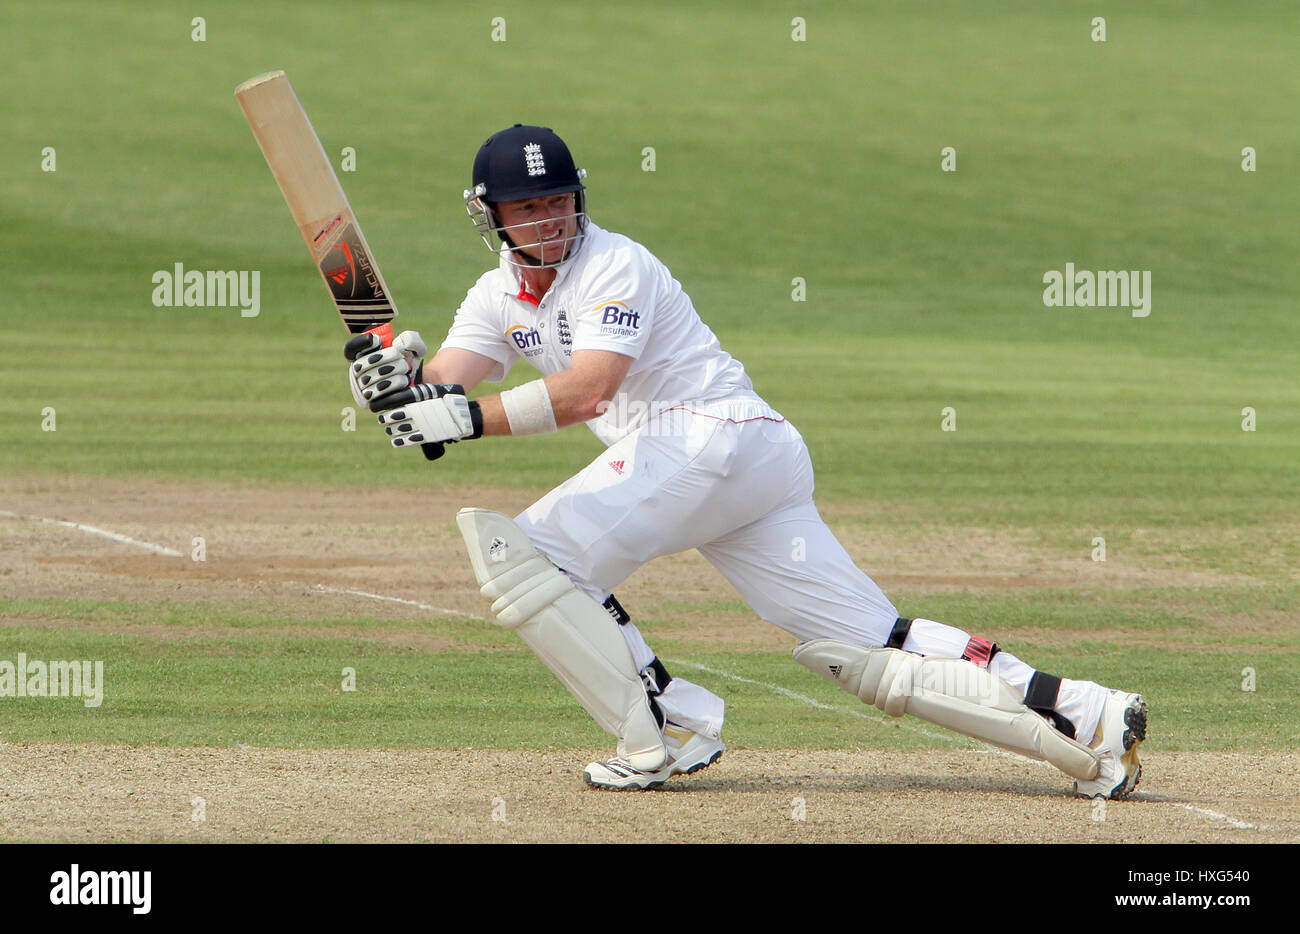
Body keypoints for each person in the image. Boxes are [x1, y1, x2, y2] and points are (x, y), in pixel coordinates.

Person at [344, 124, 1147, 797]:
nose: (549, 219)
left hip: (711, 437)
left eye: (558, 200)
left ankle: (667, 727)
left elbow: (589, 391)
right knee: (864, 648)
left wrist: (459, 416)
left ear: (579, 199)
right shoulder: (494, 297)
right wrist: (394, 385)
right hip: (730, 465)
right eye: (529, 207)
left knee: (529, 553)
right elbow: (442, 401)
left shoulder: (615, 265)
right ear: (492, 216)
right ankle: (1089, 717)